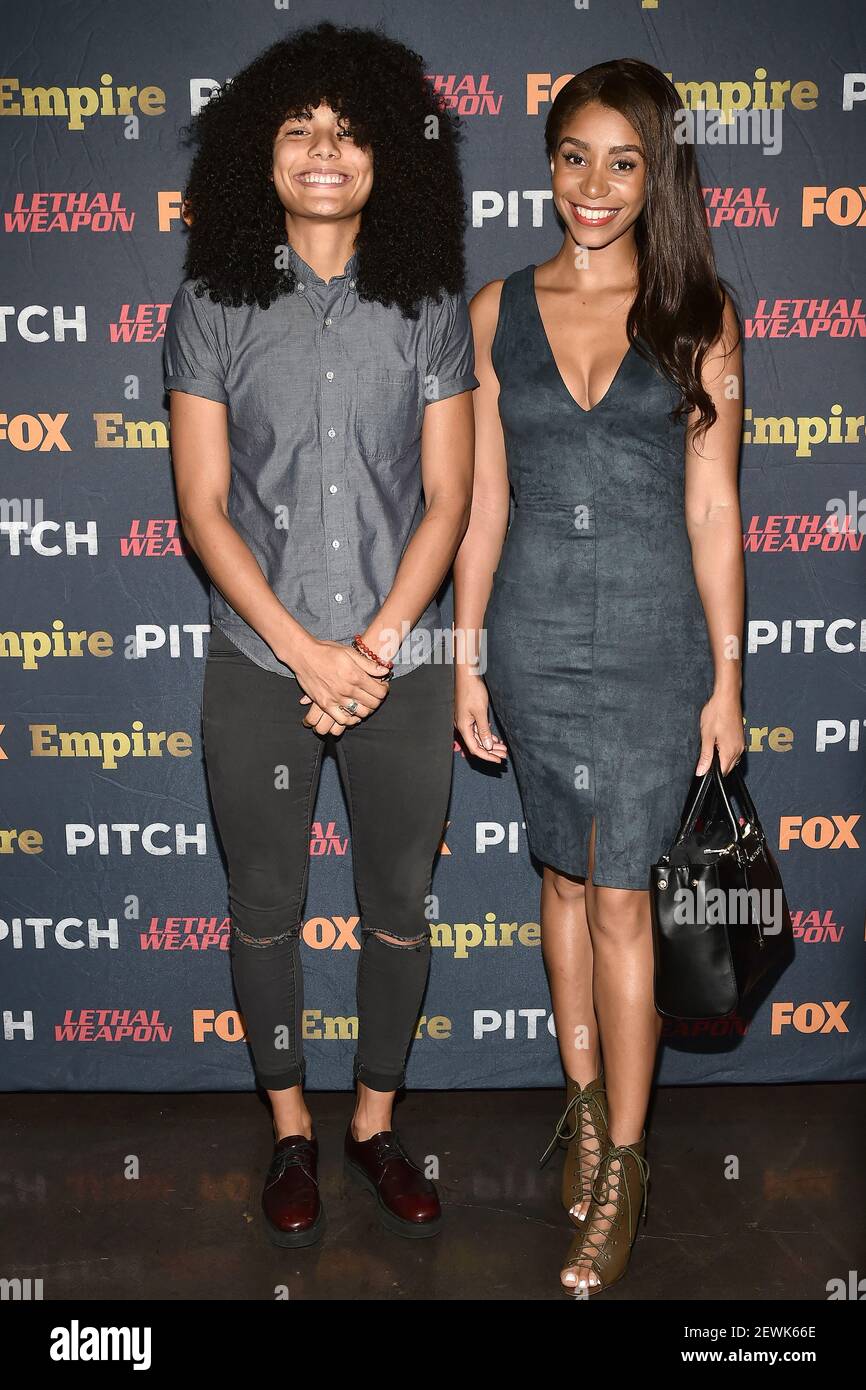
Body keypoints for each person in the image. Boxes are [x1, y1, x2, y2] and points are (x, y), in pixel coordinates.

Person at [163, 21, 477, 1246]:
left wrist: (378, 645)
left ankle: (372, 1124)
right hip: (258, 664)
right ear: (261, 153)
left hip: (399, 666)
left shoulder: (431, 305)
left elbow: (448, 499)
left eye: (348, 130)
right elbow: (200, 505)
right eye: (298, 128)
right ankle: (293, 1130)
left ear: (390, 156)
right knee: (264, 911)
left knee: (400, 906)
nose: (324, 150)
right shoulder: (211, 304)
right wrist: (304, 651)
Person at [453, 58, 745, 1295]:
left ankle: (624, 1166)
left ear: (657, 171)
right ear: (549, 161)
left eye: (622, 162)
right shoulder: (492, 312)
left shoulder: (697, 314)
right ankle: (580, 1105)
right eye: (573, 155)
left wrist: (726, 680)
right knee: (563, 884)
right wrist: (466, 654)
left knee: (623, 899)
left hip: (648, 647)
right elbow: (480, 506)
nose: (593, 185)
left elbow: (714, 509)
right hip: (527, 641)